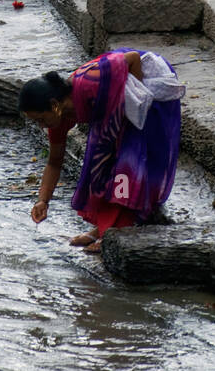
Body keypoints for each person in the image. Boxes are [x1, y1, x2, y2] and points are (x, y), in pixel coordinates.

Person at [20, 50, 183, 254]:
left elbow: (132, 58)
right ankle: (104, 228)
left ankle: (117, 228)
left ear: (54, 105)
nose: (41, 126)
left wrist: (136, 100)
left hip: (147, 88)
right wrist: (42, 201)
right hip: (118, 109)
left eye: (40, 119)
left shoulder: (91, 82)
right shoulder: (58, 120)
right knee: (101, 168)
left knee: (127, 166)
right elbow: (54, 162)